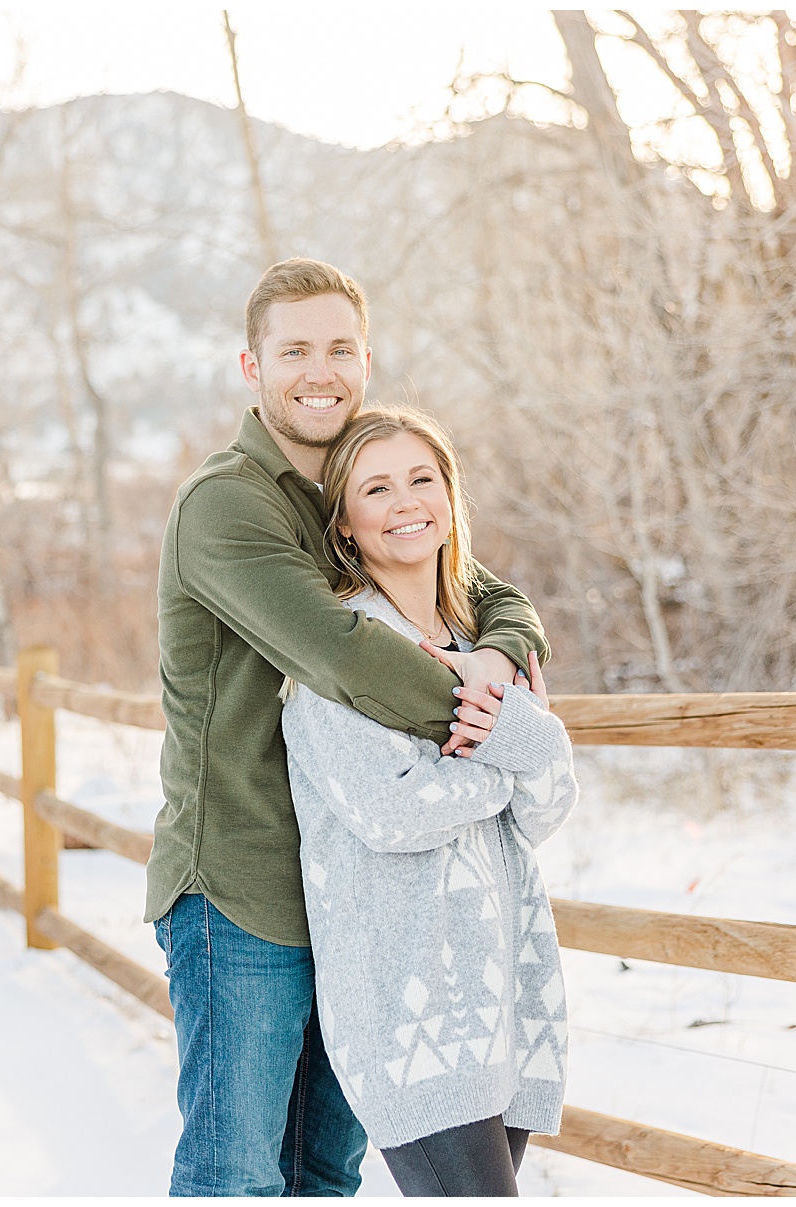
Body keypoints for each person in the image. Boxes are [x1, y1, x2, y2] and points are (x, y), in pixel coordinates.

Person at [149, 258, 550, 1196]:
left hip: (356, 902)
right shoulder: (227, 503)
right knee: (234, 1174)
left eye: (338, 347)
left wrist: (504, 648)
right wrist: (501, 727)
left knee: (324, 1171)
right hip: (242, 888)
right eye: (293, 350)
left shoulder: (359, 492)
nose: (317, 369)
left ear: (365, 358)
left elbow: (488, 589)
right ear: (251, 367)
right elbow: (342, 655)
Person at [282, 408, 578, 1197]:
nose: (406, 500)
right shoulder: (335, 652)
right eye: (376, 488)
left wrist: (531, 743)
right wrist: (510, 759)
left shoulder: (485, 638)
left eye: (422, 478)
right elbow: (390, 813)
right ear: (344, 525)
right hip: (406, 1001)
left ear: (450, 495)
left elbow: (546, 809)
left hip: (503, 989)